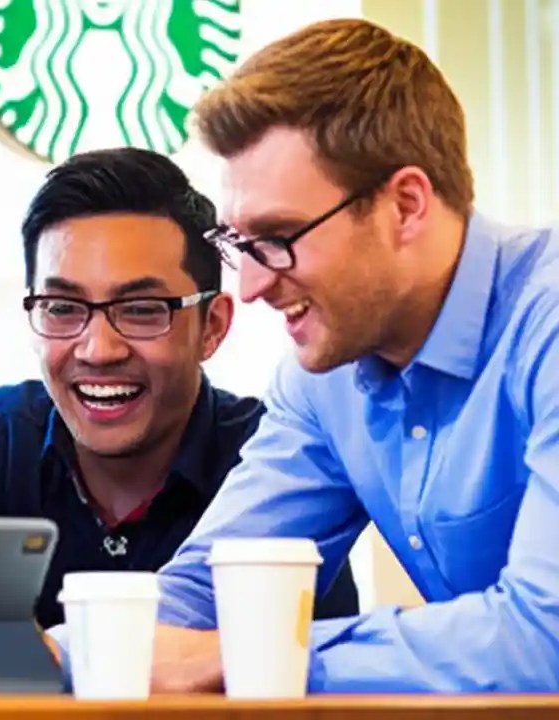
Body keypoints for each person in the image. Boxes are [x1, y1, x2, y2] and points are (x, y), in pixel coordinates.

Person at [120, 18, 559, 693]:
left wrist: (250, 657)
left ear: (406, 205)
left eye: (277, 237)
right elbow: (202, 596)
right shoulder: (323, 380)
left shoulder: (546, 320)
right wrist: (50, 651)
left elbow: (544, 641)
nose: (254, 286)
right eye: (241, 242)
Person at [0, 147, 358, 629]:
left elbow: (306, 678)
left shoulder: (279, 463)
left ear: (213, 326)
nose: (98, 350)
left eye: (142, 309)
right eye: (62, 307)